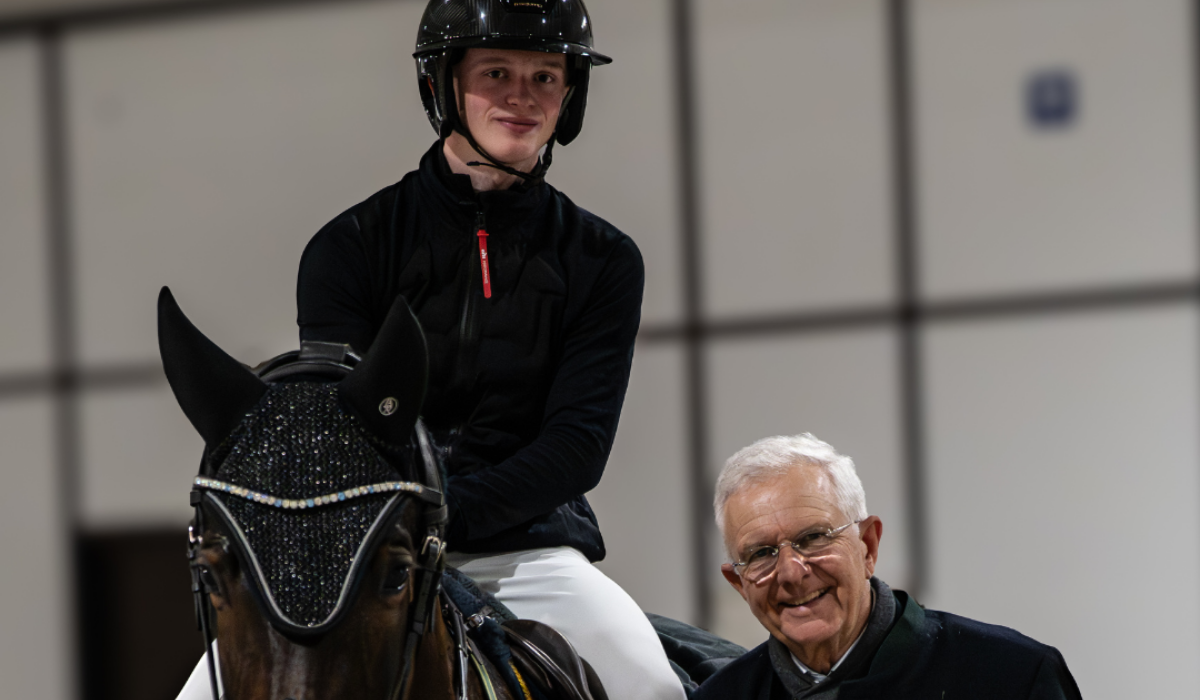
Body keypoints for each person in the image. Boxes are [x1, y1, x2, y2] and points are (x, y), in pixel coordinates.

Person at [175, 1, 686, 699]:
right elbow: (347, 431)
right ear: (441, 84)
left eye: (544, 76)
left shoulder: (603, 259)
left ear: (570, 96)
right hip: (368, 550)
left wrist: (450, 513)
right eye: (496, 72)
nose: (522, 96)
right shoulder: (349, 247)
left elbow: (577, 445)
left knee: (652, 686)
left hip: (529, 554)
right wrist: (402, 521)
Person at [695, 433, 1082, 700]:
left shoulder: (1012, 678)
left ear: (867, 545)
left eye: (813, 538)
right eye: (762, 553)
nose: (792, 572)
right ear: (739, 583)